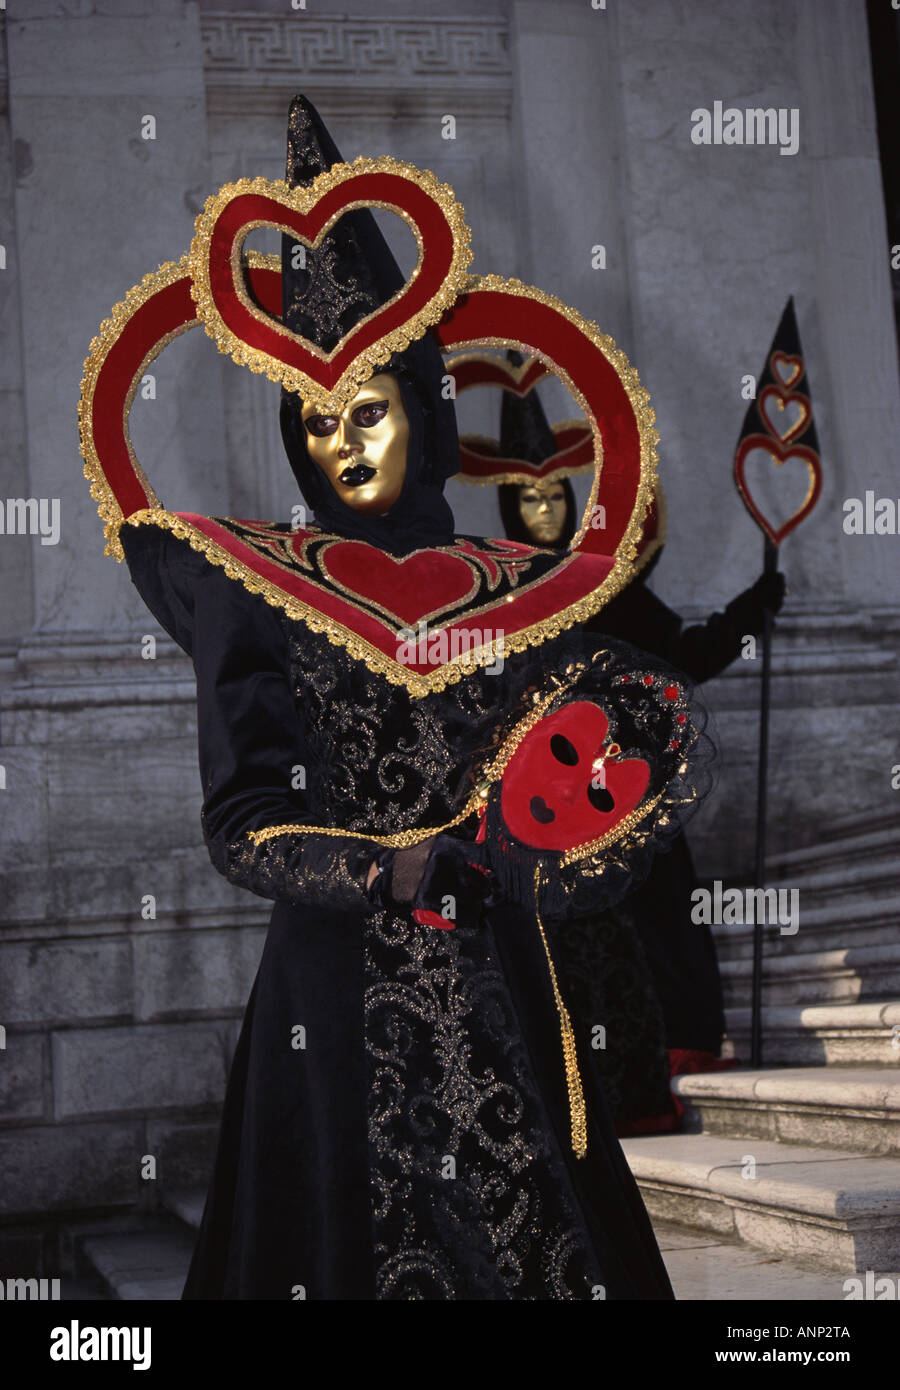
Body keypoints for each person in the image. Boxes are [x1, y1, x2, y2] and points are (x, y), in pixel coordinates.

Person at [100, 96, 713, 1299]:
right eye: (316, 424)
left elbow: (587, 760)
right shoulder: (252, 587)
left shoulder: (519, 587)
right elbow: (242, 825)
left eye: (368, 412)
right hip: (333, 1001)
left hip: (510, 983)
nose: (342, 447)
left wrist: (591, 837)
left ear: (425, 414)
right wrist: (390, 868)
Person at [483, 356, 783, 1130]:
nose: (546, 511)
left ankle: (669, 1069)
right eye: (531, 499)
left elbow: (679, 656)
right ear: (512, 508)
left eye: (558, 496)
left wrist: (753, 610)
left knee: (657, 934)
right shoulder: (493, 597)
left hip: (620, 803)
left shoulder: (604, 584)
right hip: (534, 821)